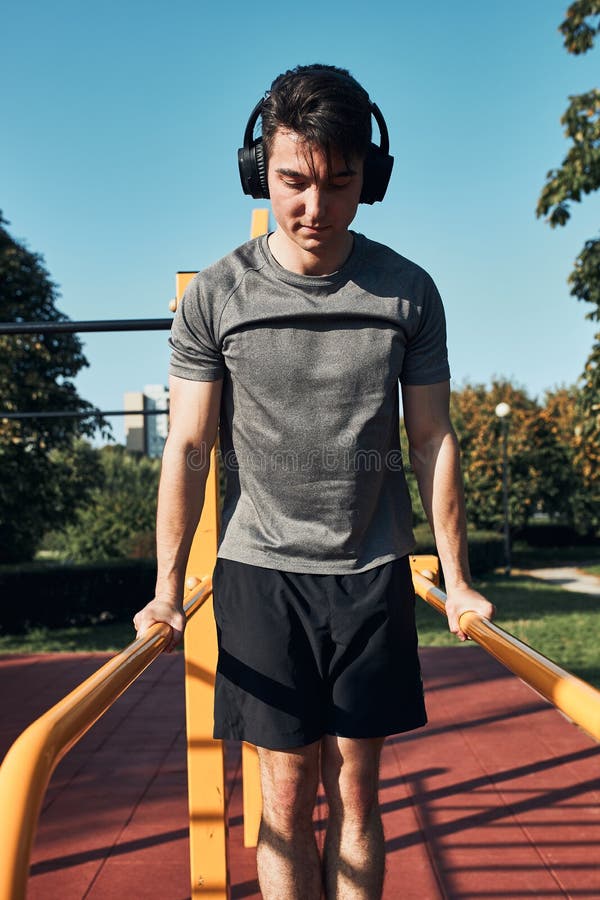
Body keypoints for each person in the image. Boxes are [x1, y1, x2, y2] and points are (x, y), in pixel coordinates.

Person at [133, 63, 494, 900]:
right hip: (260, 574)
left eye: (340, 183)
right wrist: (162, 587)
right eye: (294, 181)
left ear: (372, 179)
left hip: (370, 575)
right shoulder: (218, 296)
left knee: (357, 792)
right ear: (261, 170)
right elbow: (189, 447)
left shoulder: (408, 292)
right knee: (284, 797)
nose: (314, 207)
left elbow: (432, 438)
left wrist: (461, 580)